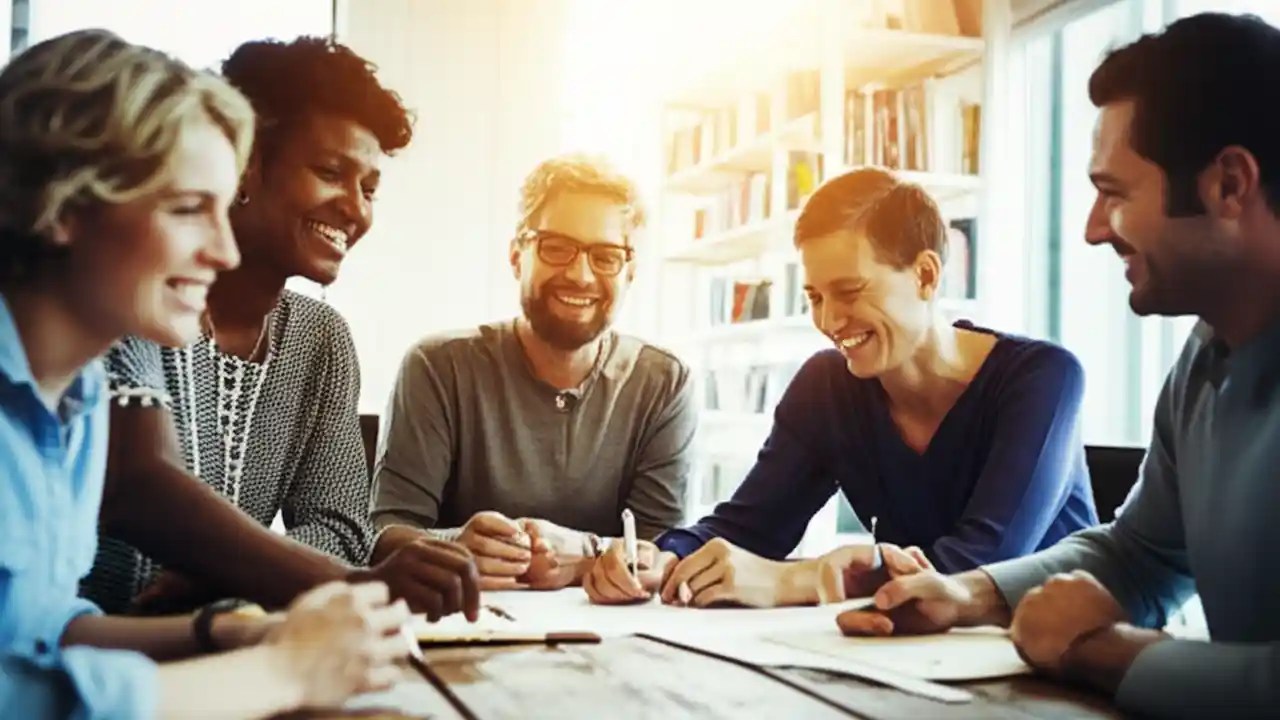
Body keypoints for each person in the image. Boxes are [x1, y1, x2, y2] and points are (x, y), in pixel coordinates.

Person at [830, 13, 1280, 720]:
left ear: (1229, 185)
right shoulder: (1203, 360)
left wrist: (1103, 653)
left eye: (1116, 193)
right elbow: (1140, 554)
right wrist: (965, 594)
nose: (1093, 228)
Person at [0, 29, 420, 718]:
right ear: (68, 205)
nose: (222, 250)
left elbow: (39, 635)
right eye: (190, 209)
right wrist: (280, 670)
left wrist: (230, 627)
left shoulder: (73, 405)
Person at [79, 36, 480, 618]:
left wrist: (240, 583)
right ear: (246, 165)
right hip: (80, 659)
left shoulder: (321, 339)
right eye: (329, 172)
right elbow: (140, 484)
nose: (355, 208)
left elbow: (340, 525)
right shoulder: (142, 292)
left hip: (214, 649)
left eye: (369, 189)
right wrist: (333, 581)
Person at [585, 167, 1097, 607]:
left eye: (849, 292)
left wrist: (797, 580)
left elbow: (974, 570)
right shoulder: (827, 387)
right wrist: (660, 555)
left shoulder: (1043, 379)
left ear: (925, 274)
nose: (829, 320)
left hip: (1059, 663)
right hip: (927, 659)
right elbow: (750, 526)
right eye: (814, 297)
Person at [371, 153, 697, 590]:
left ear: (630, 272)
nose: (581, 275)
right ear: (516, 256)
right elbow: (384, 533)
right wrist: (456, 547)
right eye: (557, 248)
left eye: (606, 256)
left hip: (609, 636)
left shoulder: (665, 384)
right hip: (465, 626)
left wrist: (584, 554)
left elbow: (660, 550)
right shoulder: (436, 366)